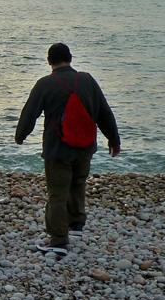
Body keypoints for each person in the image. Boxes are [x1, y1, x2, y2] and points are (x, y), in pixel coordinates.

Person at [15, 43, 120, 255]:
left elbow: (29, 114)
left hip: (58, 150)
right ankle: (76, 225)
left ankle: (58, 241)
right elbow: (104, 112)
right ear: (71, 58)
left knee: (57, 194)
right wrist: (114, 139)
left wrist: (20, 136)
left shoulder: (45, 84)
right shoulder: (88, 80)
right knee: (78, 183)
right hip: (85, 147)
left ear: (49, 61)